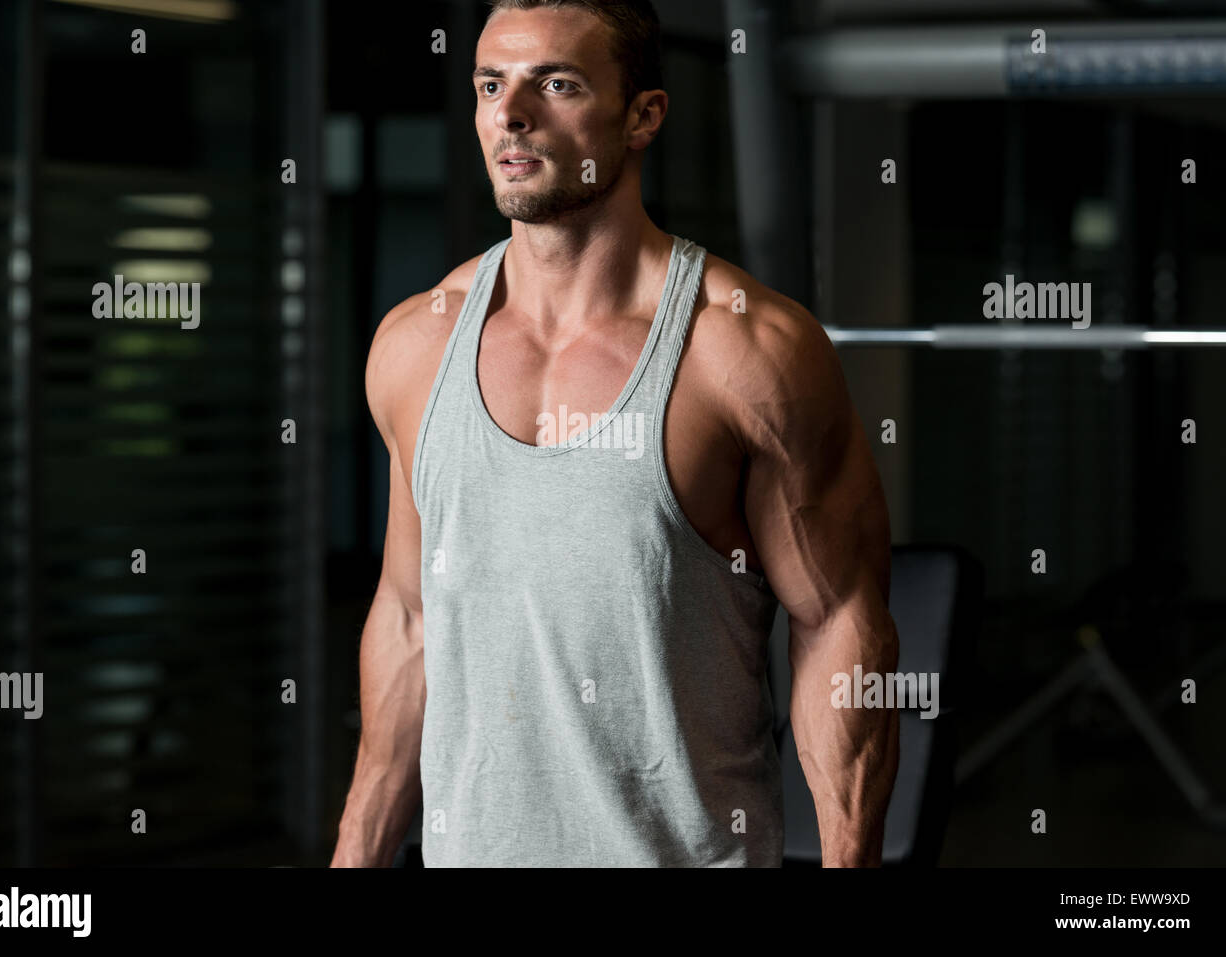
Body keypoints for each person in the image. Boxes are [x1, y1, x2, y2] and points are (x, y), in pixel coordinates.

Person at [331, 0, 899, 867]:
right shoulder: (414, 347)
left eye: (555, 84)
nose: (511, 114)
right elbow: (409, 622)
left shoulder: (745, 349)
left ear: (643, 116)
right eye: (491, 84)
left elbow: (839, 622)